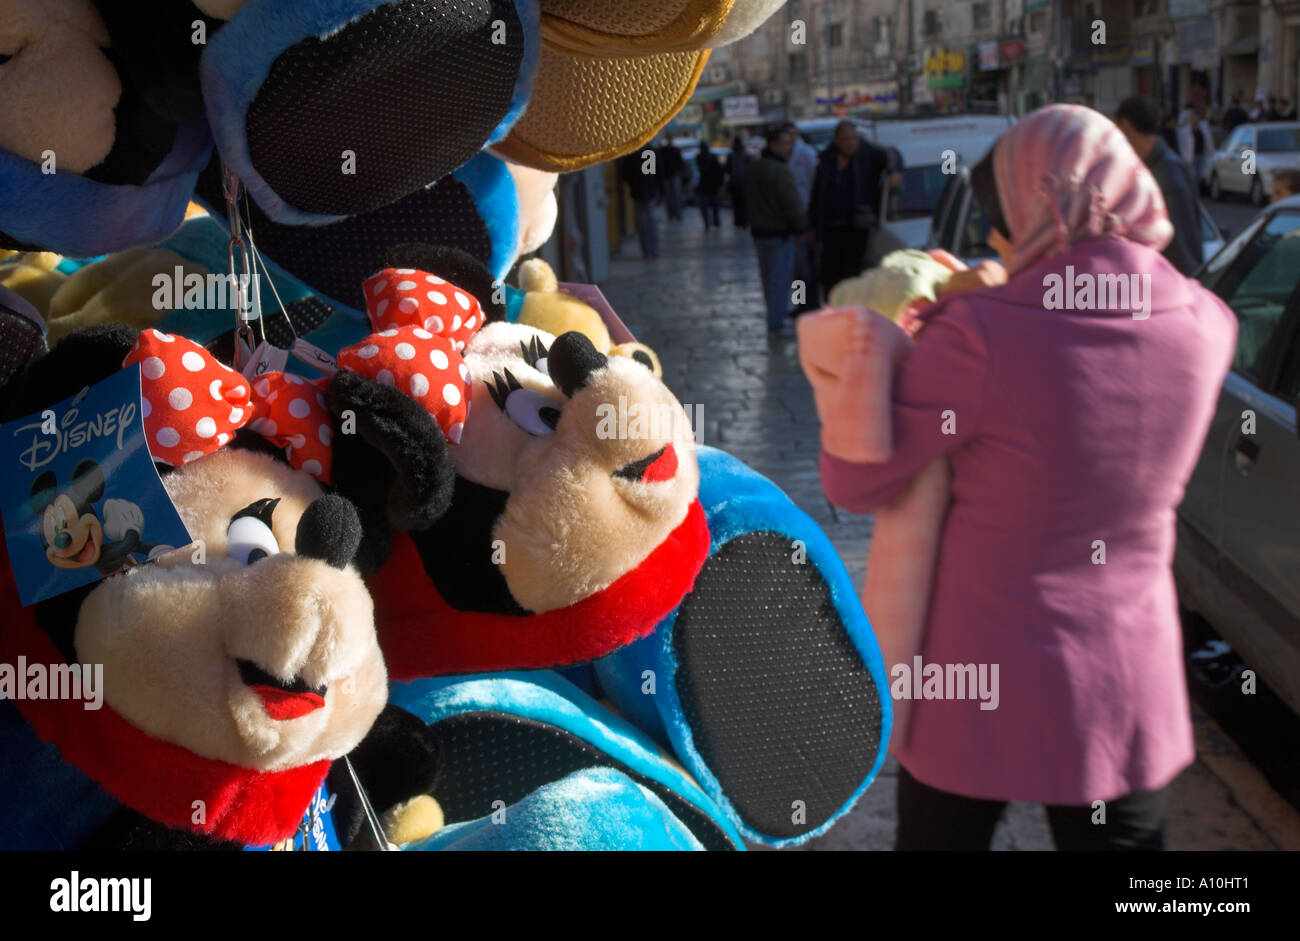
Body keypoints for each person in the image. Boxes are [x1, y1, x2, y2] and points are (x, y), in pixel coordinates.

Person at [818, 104, 1237, 850]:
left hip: (977, 680)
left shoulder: (979, 334)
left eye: (1003, 221)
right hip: (1122, 682)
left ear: (1043, 204)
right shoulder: (1208, 322)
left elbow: (856, 480)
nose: (1002, 242)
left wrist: (910, 329)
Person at [1117, 96, 1203, 275]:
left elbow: (1183, 247)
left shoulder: (1168, 174)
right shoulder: (1144, 167)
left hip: (1171, 287)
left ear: (1125, 125)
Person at [809, 120, 890, 297]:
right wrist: (813, 226)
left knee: (853, 273)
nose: (850, 143)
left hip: (857, 226)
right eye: (846, 139)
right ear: (837, 140)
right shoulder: (826, 161)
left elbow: (892, 155)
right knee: (830, 274)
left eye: (853, 138)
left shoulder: (868, 156)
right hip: (831, 228)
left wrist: (894, 171)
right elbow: (817, 196)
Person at [745, 126, 807, 337]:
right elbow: (791, 202)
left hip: (760, 231)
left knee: (769, 278)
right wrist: (800, 224)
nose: (789, 148)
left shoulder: (755, 167)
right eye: (785, 143)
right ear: (774, 145)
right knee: (780, 279)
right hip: (779, 232)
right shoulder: (778, 170)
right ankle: (776, 322)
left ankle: (774, 317)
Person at [783, 122, 821, 312]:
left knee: (804, 265)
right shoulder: (784, 156)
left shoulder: (806, 154)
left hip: (805, 215)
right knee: (796, 267)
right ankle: (800, 302)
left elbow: (815, 184)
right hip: (790, 217)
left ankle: (809, 303)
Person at [619, 149, 661, 259]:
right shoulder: (647, 154)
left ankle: (647, 249)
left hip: (638, 193)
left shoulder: (631, 155)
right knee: (650, 220)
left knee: (642, 221)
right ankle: (652, 249)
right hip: (647, 193)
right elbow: (651, 175)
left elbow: (625, 175)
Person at [657, 137, 686, 221]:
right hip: (669, 176)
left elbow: (680, 163)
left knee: (674, 196)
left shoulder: (673, 150)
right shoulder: (664, 151)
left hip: (673, 175)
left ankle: (676, 213)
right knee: (671, 196)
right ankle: (673, 213)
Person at [695, 147, 725, 229]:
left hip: (709, 186)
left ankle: (713, 222)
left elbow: (719, 172)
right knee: (712, 205)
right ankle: (714, 222)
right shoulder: (704, 158)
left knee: (710, 205)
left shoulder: (708, 159)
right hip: (709, 186)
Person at [726, 136, 750, 228]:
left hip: (742, 184)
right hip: (736, 184)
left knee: (742, 204)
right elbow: (728, 169)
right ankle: (739, 220)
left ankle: (742, 220)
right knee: (738, 204)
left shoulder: (744, 155)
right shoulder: (733, 155)